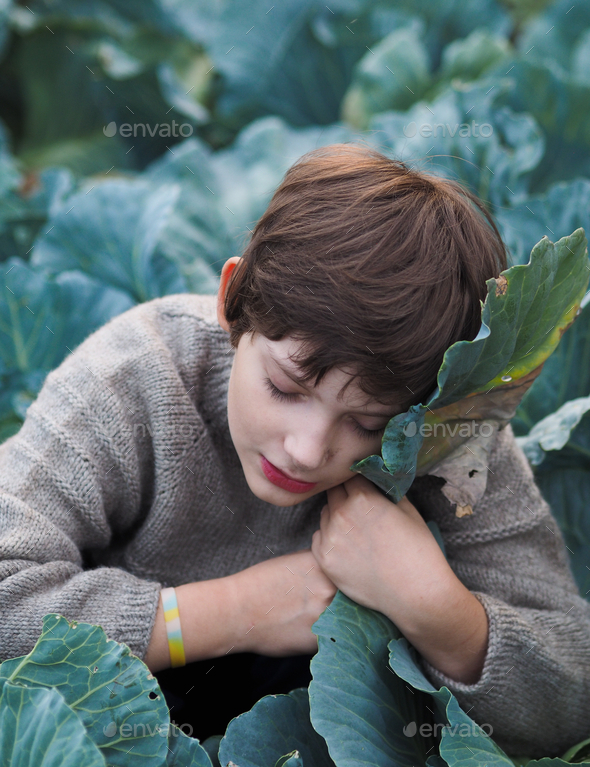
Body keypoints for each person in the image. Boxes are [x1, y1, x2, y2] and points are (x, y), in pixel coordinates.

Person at [0, 143, 589, 757]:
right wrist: (234, 611)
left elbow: (572, 689)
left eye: (368, 424)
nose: (308, 450)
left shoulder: (448, 436)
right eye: (284, 388)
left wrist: (437, 608)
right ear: (232, 303)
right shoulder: (136, 376)